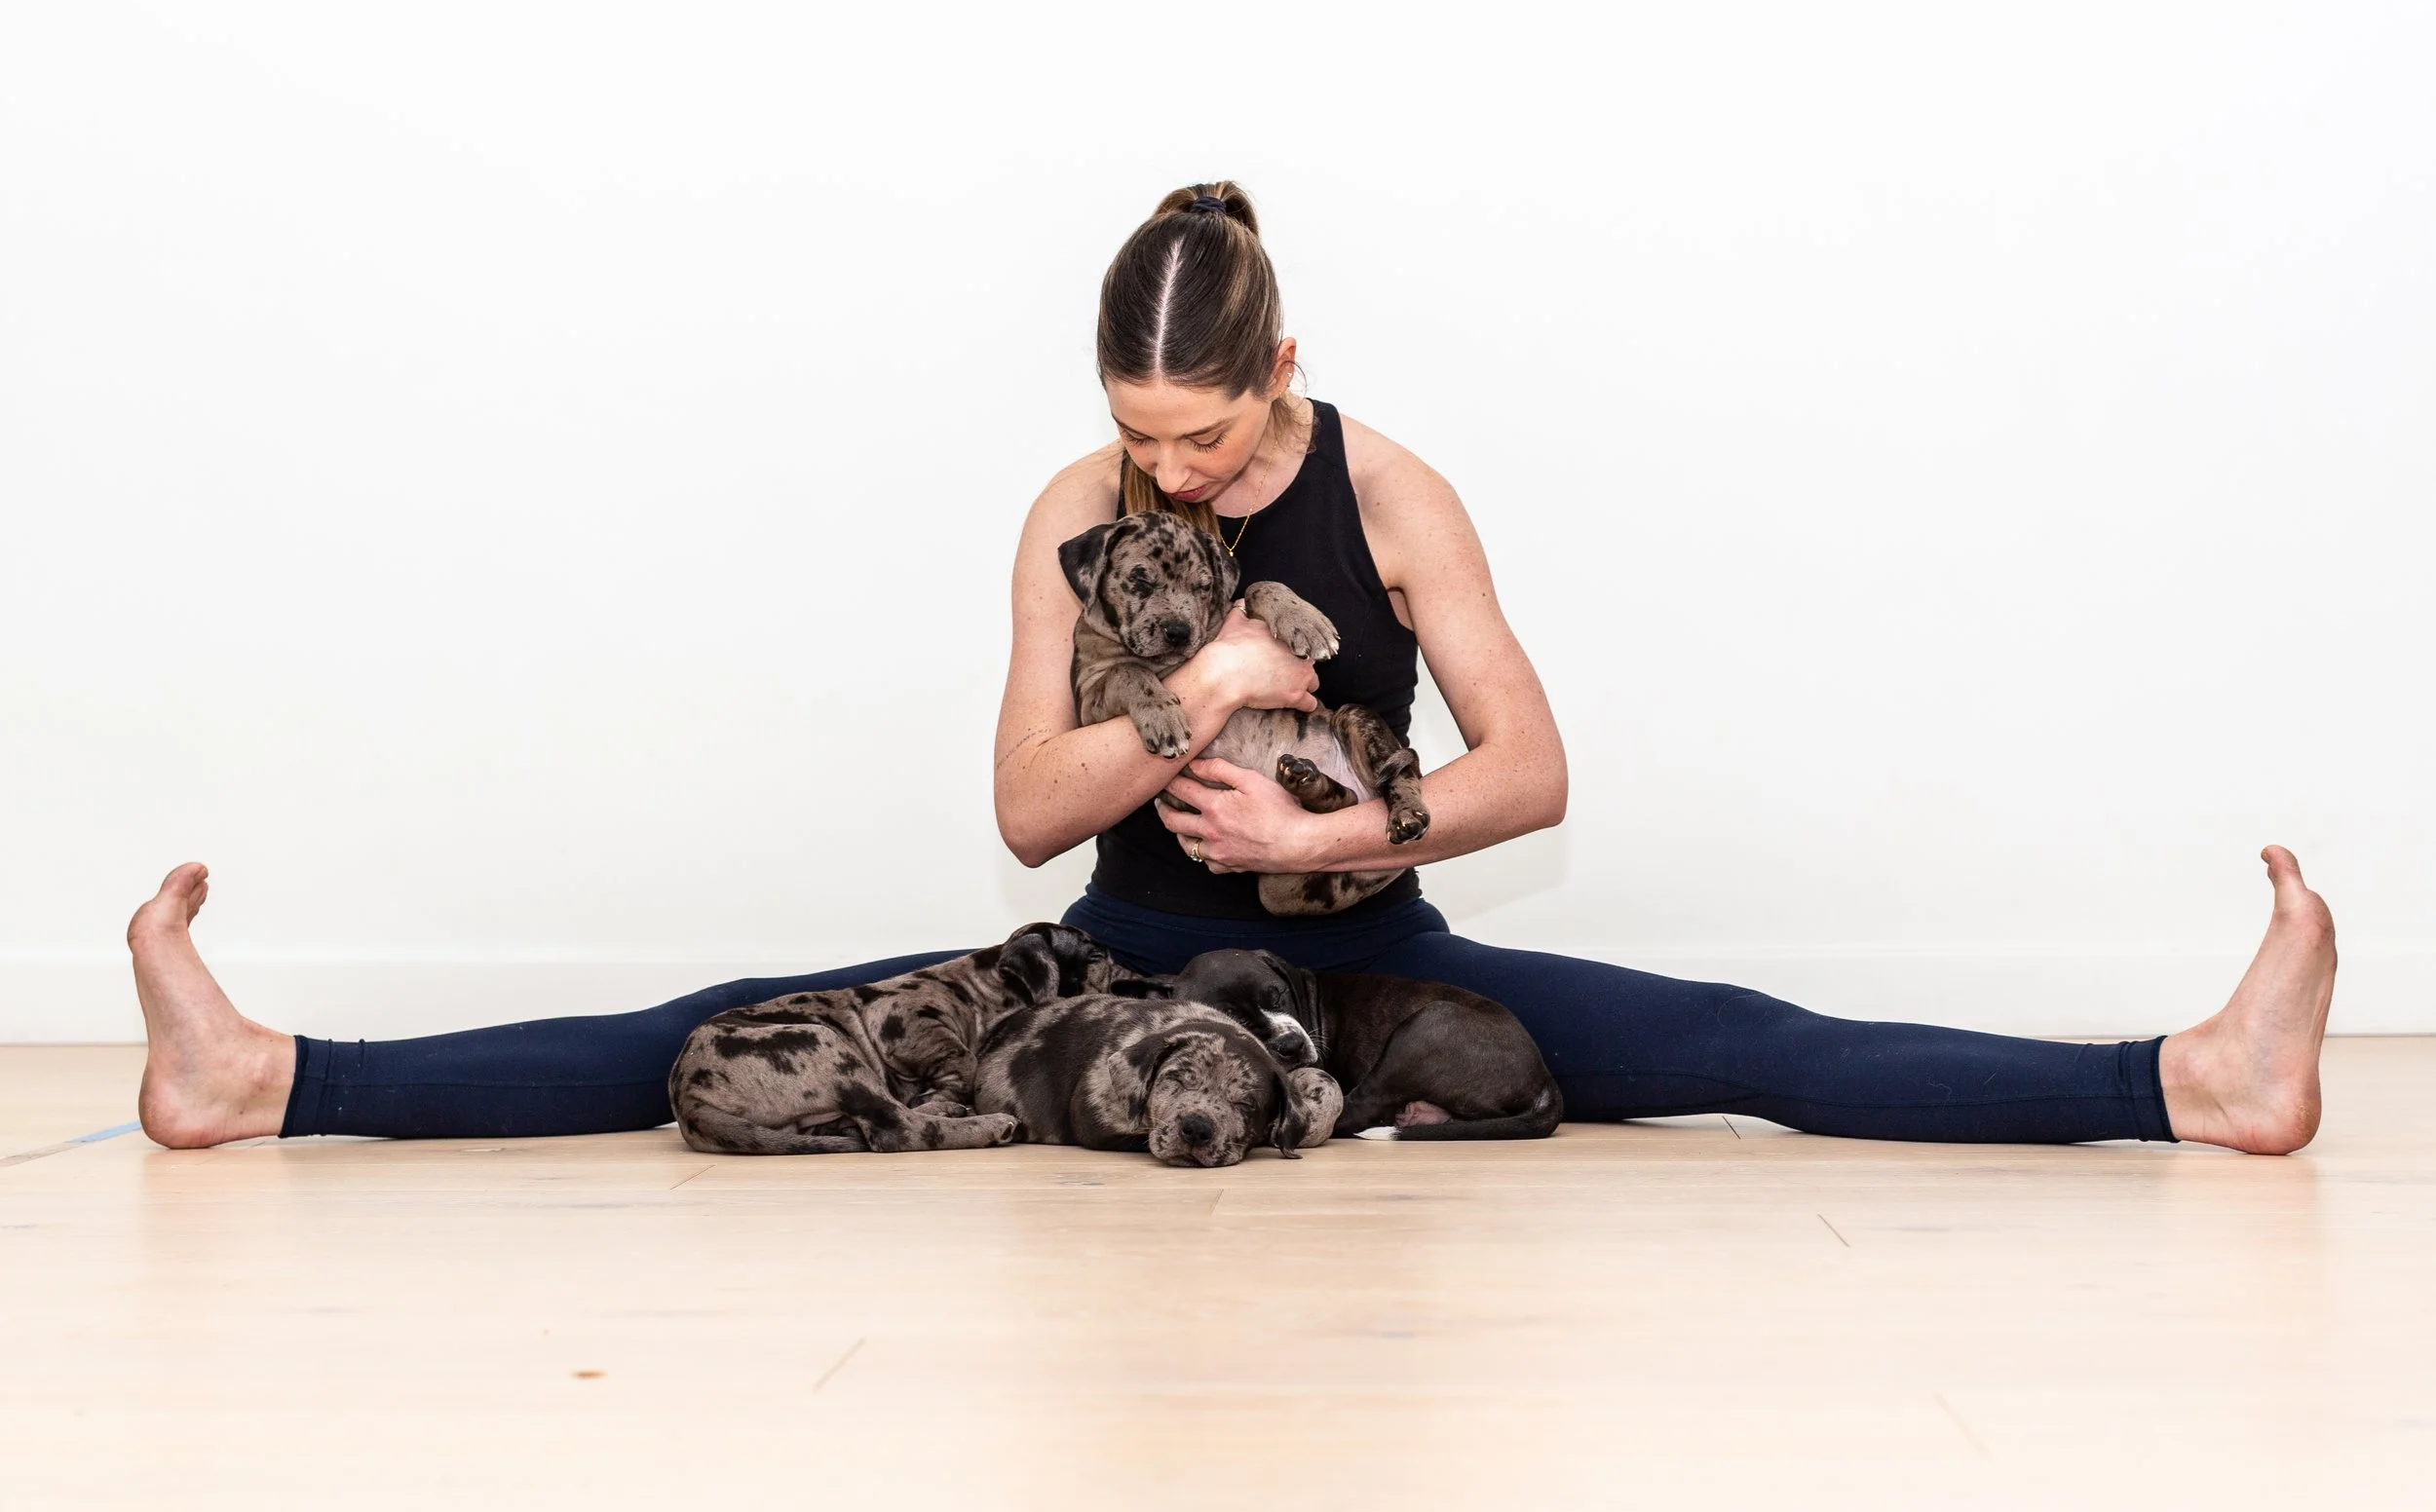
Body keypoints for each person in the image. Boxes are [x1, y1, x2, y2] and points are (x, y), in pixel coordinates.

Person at [127, 182, 2336, 1154]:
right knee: (711, 1030)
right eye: (1132, 433)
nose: (1157, 473)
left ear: (1278, 369)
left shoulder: (1391, 492)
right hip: (1108, 970)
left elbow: (1540, 765)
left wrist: (1354, 821)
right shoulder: (1069, 506)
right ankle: (272, 1081)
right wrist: (1195, 698)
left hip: (1376, 963)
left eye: (1195, 436)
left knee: (1742, 1040)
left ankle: (2183, 1081)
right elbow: (1021, 810)